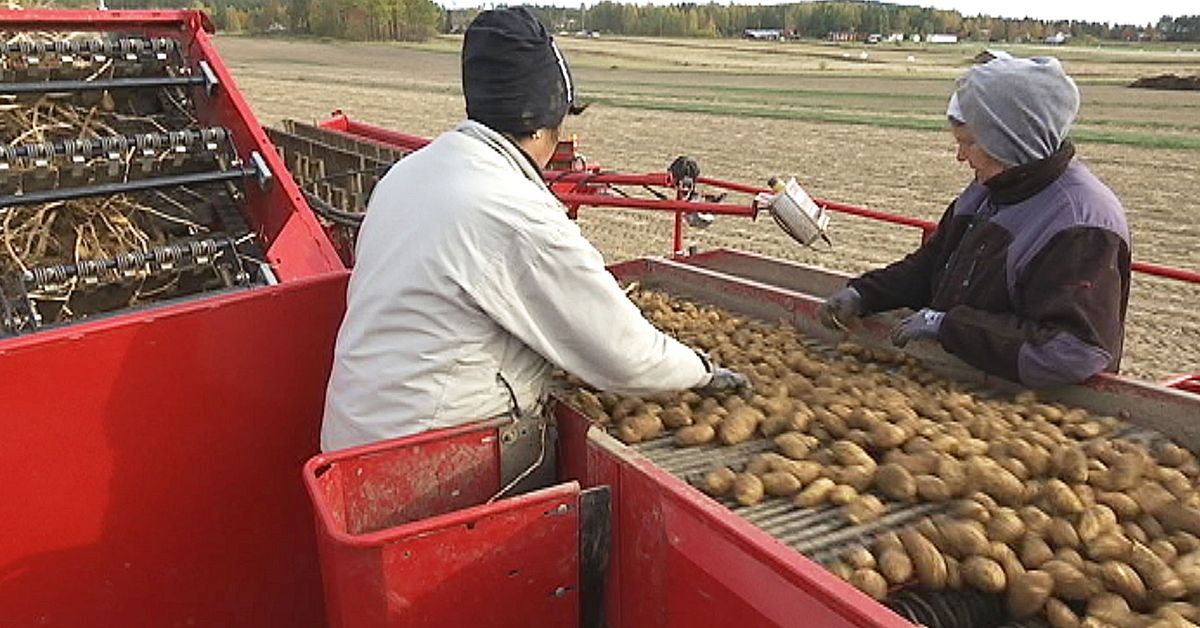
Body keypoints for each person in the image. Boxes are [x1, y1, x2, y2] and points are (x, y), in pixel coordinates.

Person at [321, 8, 749, 451]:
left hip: (352, 439)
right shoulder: (513, 208)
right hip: (420, 460)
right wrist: (701, 371)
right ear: (546, 122)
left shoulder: (409, 173)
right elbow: (623, 353)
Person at [819, 57, 1131, 389]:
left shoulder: (1080, 225)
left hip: (1041, 402)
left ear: (1011, 140)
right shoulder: (989, 188)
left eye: (969, 143)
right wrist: (865, 294)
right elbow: (930, 268)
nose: (959, 156)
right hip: (963, 382)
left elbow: (1071, 350)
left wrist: (949, 327)